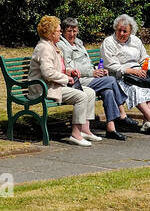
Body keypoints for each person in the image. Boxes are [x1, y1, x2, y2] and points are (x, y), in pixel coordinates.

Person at [29, 15, 98, 146]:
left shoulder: (52, 45)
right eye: (58, 30)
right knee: (81, 96)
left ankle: (85, 130)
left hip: (53, 84)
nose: (60, 32)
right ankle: (76, 135)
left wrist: (69, 71)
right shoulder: (44, 47)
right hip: (43, 88)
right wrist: (67, 78)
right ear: (50, 32)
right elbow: (47, 72)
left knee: (90, 92)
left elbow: (56, 68)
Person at [58, 17, 129, 141]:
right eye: (69, 31)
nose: (72, 34)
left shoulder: (79, 43)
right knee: (111, 81)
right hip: (77, 81)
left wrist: (98, 70)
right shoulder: (62, 45)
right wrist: (92, 72)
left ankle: (111, 129)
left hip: (89, 78)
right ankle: (122, 113)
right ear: (63, 31)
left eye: (75, 31)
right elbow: (69, 68)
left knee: (108, 91)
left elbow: (87, 63)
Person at [102, 14, 150, 134]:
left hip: (138, 72)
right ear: (115, 29)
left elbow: (144, 57)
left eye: (125, 31)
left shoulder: (135, 41)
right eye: (119, 30)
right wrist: (130, 71)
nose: (121, 33)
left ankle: (146, 122)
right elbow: (110, 64)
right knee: (135, 89)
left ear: (131, 31)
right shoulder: (109, 42)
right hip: (119, 76)